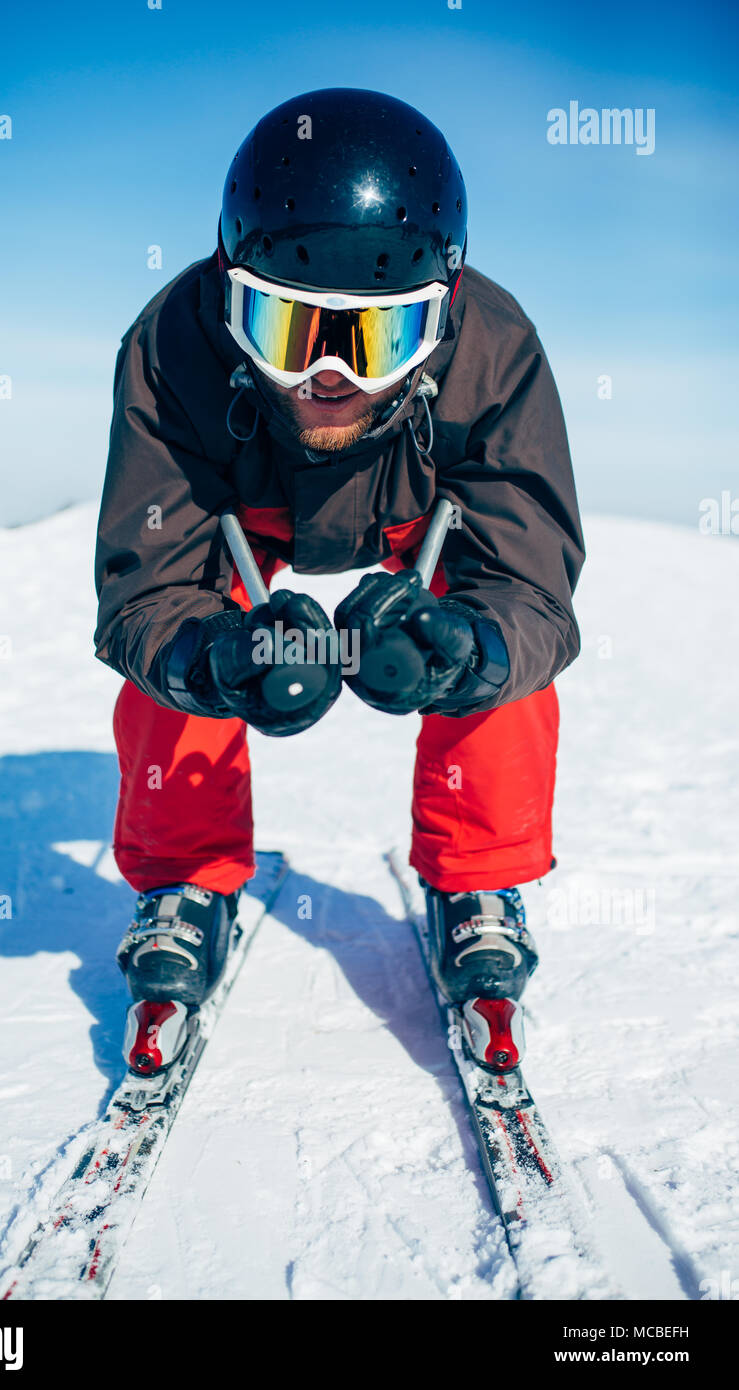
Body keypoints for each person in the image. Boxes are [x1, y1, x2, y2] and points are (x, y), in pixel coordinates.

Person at [94, 87, 584, 1077]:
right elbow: (147, 587)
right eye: (285, 331)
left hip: (414, 495)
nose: (329, 378)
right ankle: (187, 877)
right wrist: (212, 657)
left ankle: (477, 881)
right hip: (248, 498)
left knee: (491, 659)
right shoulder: (172, 349)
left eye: (377, 339)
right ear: (231, 298)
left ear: (439, 323)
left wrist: (470, 649)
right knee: (187, 659)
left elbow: (529, 581)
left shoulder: (497, 354)